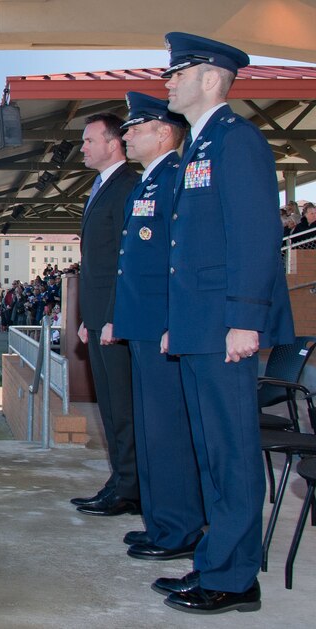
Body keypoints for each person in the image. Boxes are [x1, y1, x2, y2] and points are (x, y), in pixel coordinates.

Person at [151, 32, 295, 615]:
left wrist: (244, 320)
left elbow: (256, 237)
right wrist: (176, 323)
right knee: (211, 450)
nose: (168, 82)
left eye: (176, 72)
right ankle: (218, 562)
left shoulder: (238, 143)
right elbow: (191, 247)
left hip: (226, 327)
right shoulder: (201, 146)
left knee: (232, 452)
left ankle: (235, 578)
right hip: (199, 324)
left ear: (210, 78)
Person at [111, 92, 205, 563]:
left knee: (167, 431)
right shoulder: (148, 184)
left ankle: (180, 527)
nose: (125, 135)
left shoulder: (174, 179)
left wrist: (174, 321)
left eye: (135, 128)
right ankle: (161, 520)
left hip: (162, 327)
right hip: (144, 326)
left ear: (163, 133)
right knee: (151, 430)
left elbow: (180, 260)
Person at [71, 111, 142, 518]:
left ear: (113, 143)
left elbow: (126, 260)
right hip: (99, 318)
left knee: (122, 407)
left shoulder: (127, 187)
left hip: (117, 320)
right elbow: (95, 262)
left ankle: (129, 486)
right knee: (110, 407)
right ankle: (121, 480)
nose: (83, 147)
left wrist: (113, 315)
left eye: (89, 140)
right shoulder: (101, 187)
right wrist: (88, 316)